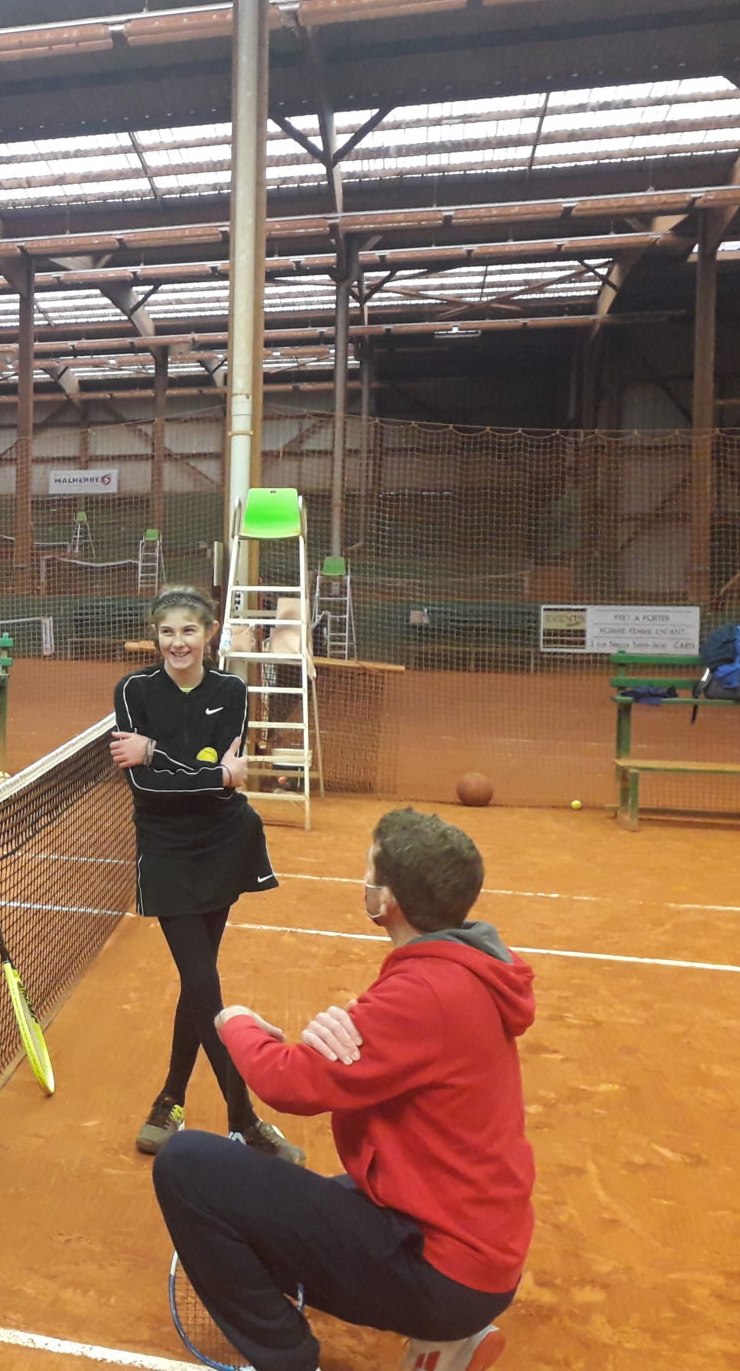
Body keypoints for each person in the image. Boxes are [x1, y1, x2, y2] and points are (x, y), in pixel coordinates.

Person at [153, 808, 534, 1371]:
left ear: (388, 903)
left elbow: (287, 1082)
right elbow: (386, 1055)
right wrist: (361, 1029)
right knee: (296, 1194)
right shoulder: (465, 969)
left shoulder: (424, 992)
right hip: (472, 1245)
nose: (364, 880)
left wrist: (234, 1021)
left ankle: (286, 1359)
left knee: (186, 1166)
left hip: (444, 1268)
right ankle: (449, 1338)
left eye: (370, 870)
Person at [110, 586, 304, 1164]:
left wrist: (162, 757)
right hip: (167, 847)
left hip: (224, 841)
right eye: (167, 632)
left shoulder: (231, 690)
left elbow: (225, 776)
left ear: (209, 633)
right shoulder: (133, 691)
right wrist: (208, 775)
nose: (178, 643)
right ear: (156, 636)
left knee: (200, 982)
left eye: (188, 632)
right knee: (202, 980)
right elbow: (145, 785)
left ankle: (171, 1098)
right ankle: (243, 1119)